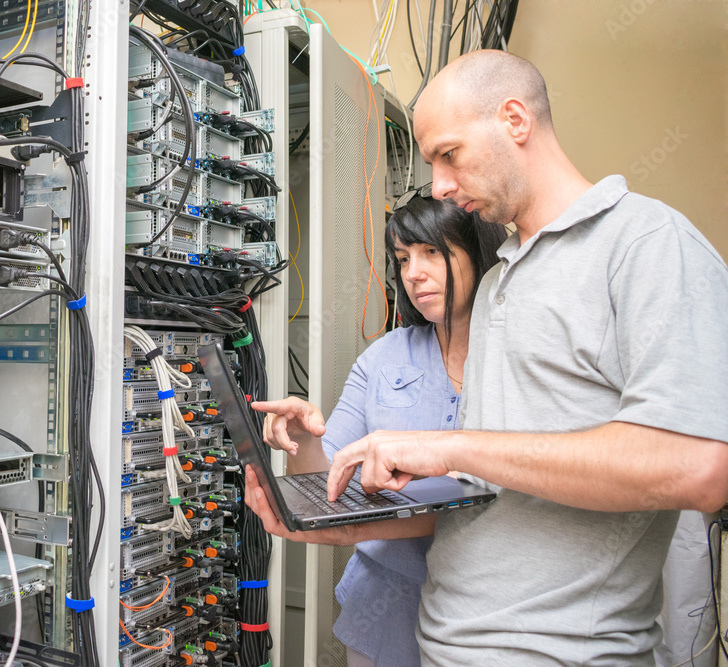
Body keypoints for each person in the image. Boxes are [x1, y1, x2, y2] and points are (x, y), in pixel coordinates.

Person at [245, 49, 728, 665]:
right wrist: (322, 523)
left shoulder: (646, 246)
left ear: (515, 120)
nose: (440, 184)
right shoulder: (502, 283)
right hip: (442, 643)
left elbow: (698, 465)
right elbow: (483, 501)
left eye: (450, 154)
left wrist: (449, 446)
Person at [252, 190, 505, 666]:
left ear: (477, 253)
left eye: (433, 252)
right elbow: (328, 481)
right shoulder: (385, 357)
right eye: (403, 258)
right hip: (383, 607)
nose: (414, 273)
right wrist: (305, 437)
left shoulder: (518, 359)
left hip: (485, 609)